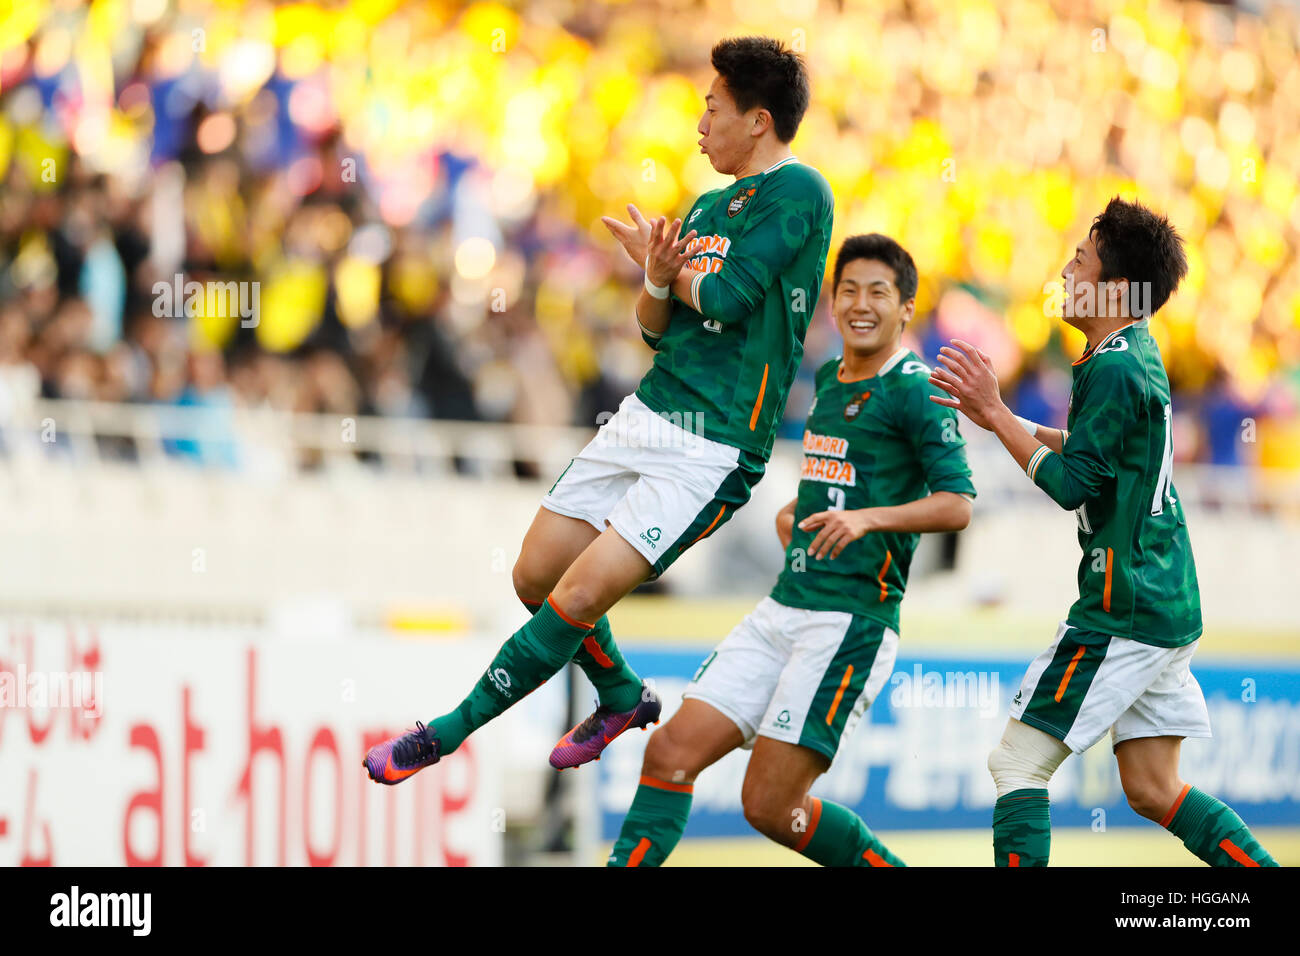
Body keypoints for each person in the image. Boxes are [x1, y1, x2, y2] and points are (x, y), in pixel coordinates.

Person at [365, 36, 835, 783]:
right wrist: (654, 275)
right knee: (534, 577)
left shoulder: (801, 190)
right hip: (649, 414)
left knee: (579, 593)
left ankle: (446, 733)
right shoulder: (708, 205)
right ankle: (619, 693)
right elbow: (657, 330)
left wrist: (678, 279)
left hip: (714, 445)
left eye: (712, 108)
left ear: (758, 119)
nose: (699, 125)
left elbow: (726, 295)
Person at [929, 197, 1276, 866]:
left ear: (1116, 287)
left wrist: (998, 415)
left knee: (1017, 764)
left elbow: (1070, 486)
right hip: (1165, 597)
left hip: (1126, 605)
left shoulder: (1116, 368)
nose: (1064, 270)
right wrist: (999, 418)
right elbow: (1093, 452)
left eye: (1079, 260)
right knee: (1152, 788)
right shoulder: (1129, 353)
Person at [608, 234, 974, 866]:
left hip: (849, 620)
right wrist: (798, 511)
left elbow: (958, 504)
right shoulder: (828, 376)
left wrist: (867, 521)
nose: (860, 304)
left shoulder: (916, 388)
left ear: (907, 308)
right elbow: (837, 476)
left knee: (772, 806)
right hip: (785, 605)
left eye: (878, 292)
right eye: (848, 290)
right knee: (668, 753)